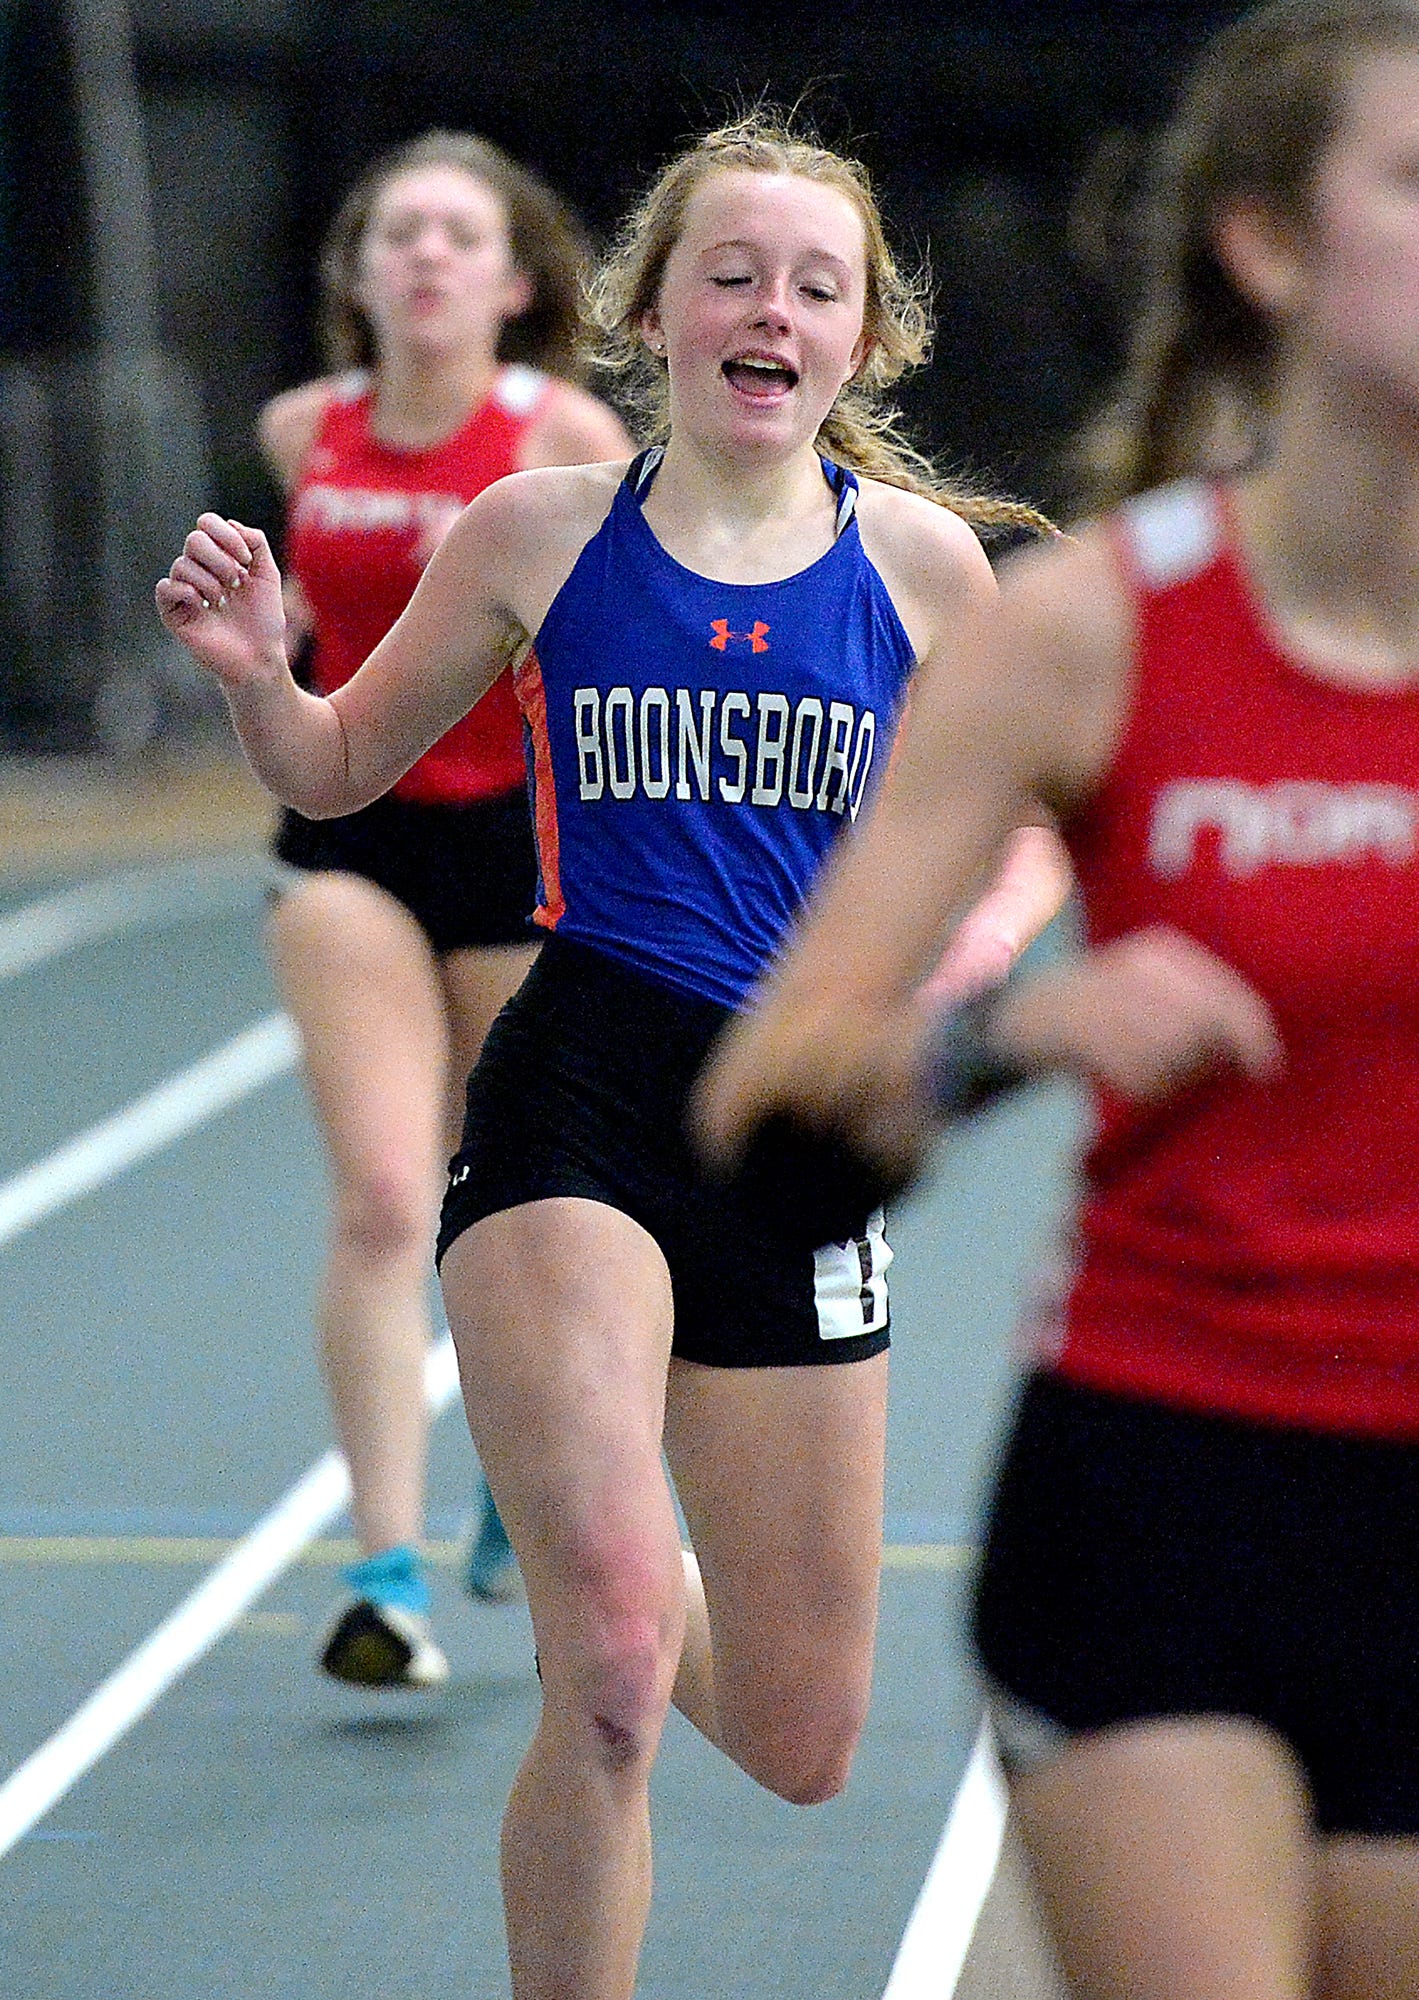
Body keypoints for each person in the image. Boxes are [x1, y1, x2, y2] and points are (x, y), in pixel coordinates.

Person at [694, 7, 1419, 1997]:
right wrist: (1011, 1030)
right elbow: (772, 1090)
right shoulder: (1090, 635)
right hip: (1160, 1495)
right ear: (1265, 244)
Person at [158, 112, 1065, 2000]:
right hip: (578, 1094)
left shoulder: (922, 572)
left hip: (794, 1131)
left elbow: (1024, 828)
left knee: (808, 1743)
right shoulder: (540, 531)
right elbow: (336, 768)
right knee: (618, 1681)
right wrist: (259, 676)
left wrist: (960, 958)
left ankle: (626, 1601)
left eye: (815, 285)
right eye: (729, 272)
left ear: (865, 343)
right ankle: (607, 1624)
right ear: (651, 313)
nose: (770, 307)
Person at [257, 131, 631, 1686]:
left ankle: (512, 1479)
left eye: (454, 235)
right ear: (357, 275)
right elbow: (309, 612)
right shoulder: (303, 429)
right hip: (350, 836)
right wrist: (266, 634)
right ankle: (383, 1577)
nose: (422, 256)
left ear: (513, 278)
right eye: (394, 231)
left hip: (515, 851)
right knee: (385, 1202)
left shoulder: (564, 430)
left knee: (518, 1203)